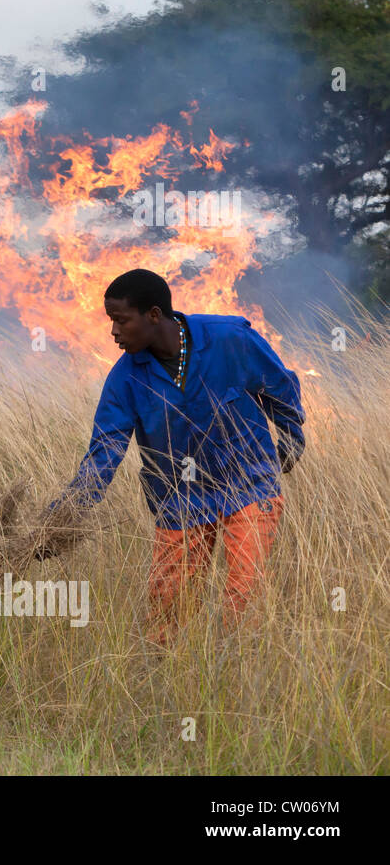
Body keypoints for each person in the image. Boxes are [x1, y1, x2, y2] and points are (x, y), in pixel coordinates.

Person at [45, 269, 305, 645]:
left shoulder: (229, 339)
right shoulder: (124, 380)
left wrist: (290, 443)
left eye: (120, 321)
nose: (114, 333)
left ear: (153, 315)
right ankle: (165, 686)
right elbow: (105, 453)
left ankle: (237, 680)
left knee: (242, 599)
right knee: (165, 612)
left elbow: (280, 387)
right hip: (179, 501)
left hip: (250, 486)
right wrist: (65, 514)